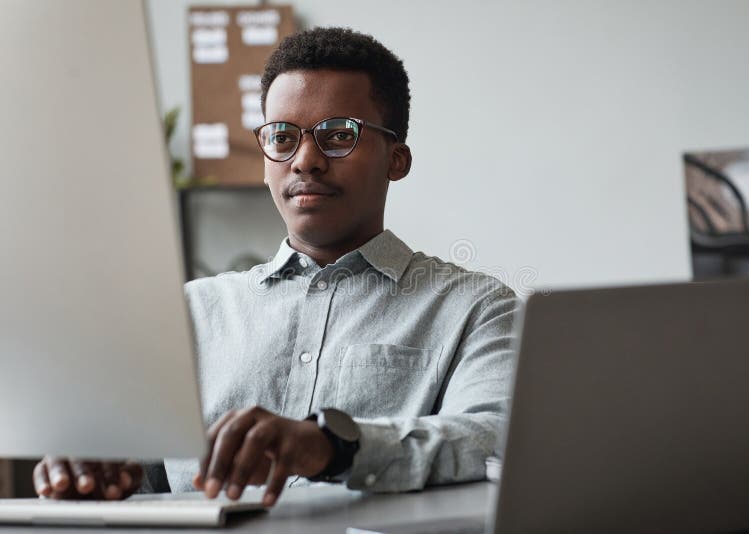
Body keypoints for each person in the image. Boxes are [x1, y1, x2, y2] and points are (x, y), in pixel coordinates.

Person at [33, 27, 518, 506]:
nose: (305, 160)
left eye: (338, 135)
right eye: (283, 137)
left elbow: (492, 439)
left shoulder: (475, 308)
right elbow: (142, 481)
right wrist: (91, 477)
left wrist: (333, 446)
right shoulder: (188, 315)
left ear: (397, 159)